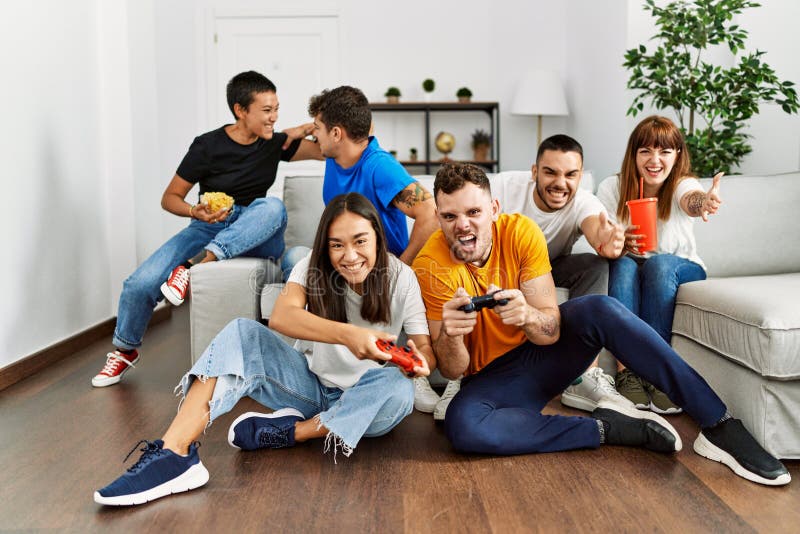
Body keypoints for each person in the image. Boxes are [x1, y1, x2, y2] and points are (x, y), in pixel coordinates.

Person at [411, 162, 788, 487]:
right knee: (463, 427)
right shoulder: (430, 264)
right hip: (492, 380)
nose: (462, 226)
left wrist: (526, 316)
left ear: (493, 209)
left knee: (599, 309)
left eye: (473, 212)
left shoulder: (520, 232)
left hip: (542, 356)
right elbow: (454, 369)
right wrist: (452, 335)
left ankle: (719, 424)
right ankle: (608, 428)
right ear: (439, 217)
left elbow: (551, 331)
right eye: (450, 217)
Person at [94, 193, 434, 506]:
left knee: (400, 388)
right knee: (242, 332)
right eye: (337, 245)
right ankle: (175, 454)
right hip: (310, 388)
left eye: (360, 241)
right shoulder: (312, 267)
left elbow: (424, 350)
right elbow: (282, 317)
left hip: (368, 403)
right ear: (326, 247)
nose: (350, 256)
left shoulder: (401, 278)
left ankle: (295, 432)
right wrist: (349, 336)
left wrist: (418, 362)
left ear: (377, 237)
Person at [91, 71, 322, 388]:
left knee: (272, 206)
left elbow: (328, 149)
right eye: (267, 110)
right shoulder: (207, 146)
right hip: (209, 225)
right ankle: (124, 351)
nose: (274, 117)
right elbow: (170, 198)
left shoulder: (275, 143)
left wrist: (311, 127)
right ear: (241, 110)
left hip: (259, 232)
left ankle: (193, 267)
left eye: (276, 109)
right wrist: (193, 210)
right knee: (139, 283)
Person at [283, 85, 445, 415]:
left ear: (337, 133)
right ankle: (313, 357)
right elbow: (283, 148)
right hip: (341, 260)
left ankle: (406, 369)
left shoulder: (378, 166)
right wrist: (303, 128)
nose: (314, 135)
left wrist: (401, 264)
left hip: (376, 262)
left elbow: (430, 212)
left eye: (317, 128)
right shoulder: (335, 154)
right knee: (295, 257)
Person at [596, 116, 723, 413]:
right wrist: (620, 243)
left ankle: (658, 373)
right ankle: (628, 372)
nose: (655, 160)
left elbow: (691, 199)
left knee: (659, 265)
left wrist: (703, 202)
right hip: (631, 264)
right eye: (646, 151)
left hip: (680, 268)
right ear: (633, 154)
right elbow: (603, 240)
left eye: (664, 151)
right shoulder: (612, 187)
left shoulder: (681, 184)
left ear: (677, 155)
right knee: (623, 265)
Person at [496, 134, 628, 413]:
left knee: (595, 265)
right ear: (534, 172)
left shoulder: (584, 202)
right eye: (550, 172)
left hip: (550, 268)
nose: (560, 183)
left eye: (570, 174)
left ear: (580, 176)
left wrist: (606, 242)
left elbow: (596, 229)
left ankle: (584, 375)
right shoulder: (504, 187)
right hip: (503, 269)